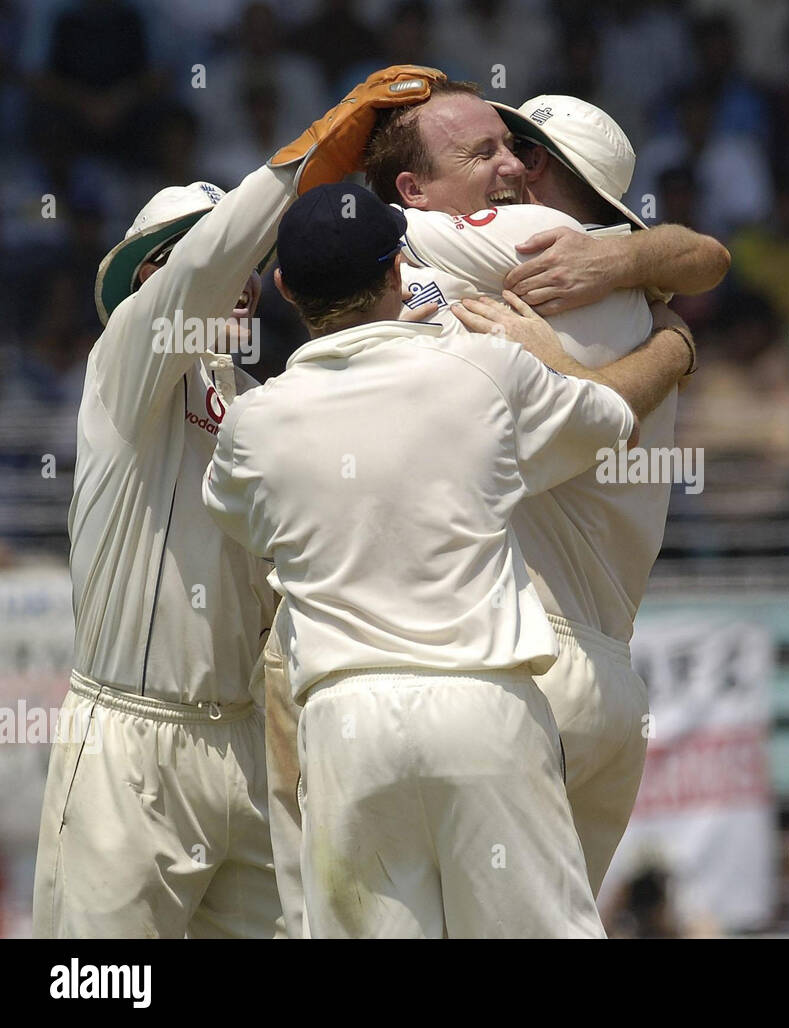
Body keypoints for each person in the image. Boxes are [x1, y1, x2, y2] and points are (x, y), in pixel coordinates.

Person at [255, 86, 727, 937]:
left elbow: (321, 234)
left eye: (520, 152)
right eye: (494, 151)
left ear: (548, 171)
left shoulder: (503, 242)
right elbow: (707, 258)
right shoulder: (638, 298)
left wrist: (361, 131)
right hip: (607, 687)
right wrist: (674, 336)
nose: (509, 168)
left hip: (509, 664)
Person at [32, 65, 446, 938]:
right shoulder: (126, 363)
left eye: (257, 270)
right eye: (221, 262)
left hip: (243, 745)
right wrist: (317, 152)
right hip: (127, 743)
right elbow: (203, 270)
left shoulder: (264, 404)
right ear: (151, 280)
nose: (244, 282)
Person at [203, 182, 639, 938]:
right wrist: (542, 355)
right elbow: (609, 421)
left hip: (346, 724)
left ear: (284, 289)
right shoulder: (487, 372)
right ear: (400, 273)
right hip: (484, 707)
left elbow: (241, 518)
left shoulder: (254, 421)